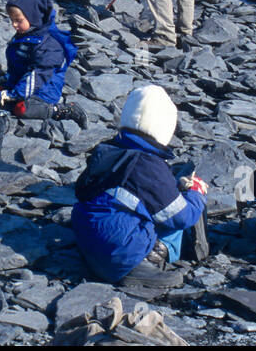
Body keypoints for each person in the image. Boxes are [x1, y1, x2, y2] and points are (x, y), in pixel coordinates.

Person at [72, 85, 209, 290]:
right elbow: (183, 217)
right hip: (119, 256)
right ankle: (147, 261)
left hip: (88, 243)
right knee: (178, 209)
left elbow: (81, 190)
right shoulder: (148, 165)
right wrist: (196, 192)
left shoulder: (107, 151)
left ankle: (116, 258)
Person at [0, 0, 87, 130]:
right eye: (11, 19)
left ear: (33, 17)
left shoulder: (49, 44)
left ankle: (63, 110)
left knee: (22, 110)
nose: (14, 24)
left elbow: (38, 74)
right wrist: (8, 82)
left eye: (18, 20)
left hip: (44, 89)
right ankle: (14, 94)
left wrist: (14, 94)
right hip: (23, 83)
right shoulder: (26, 35)